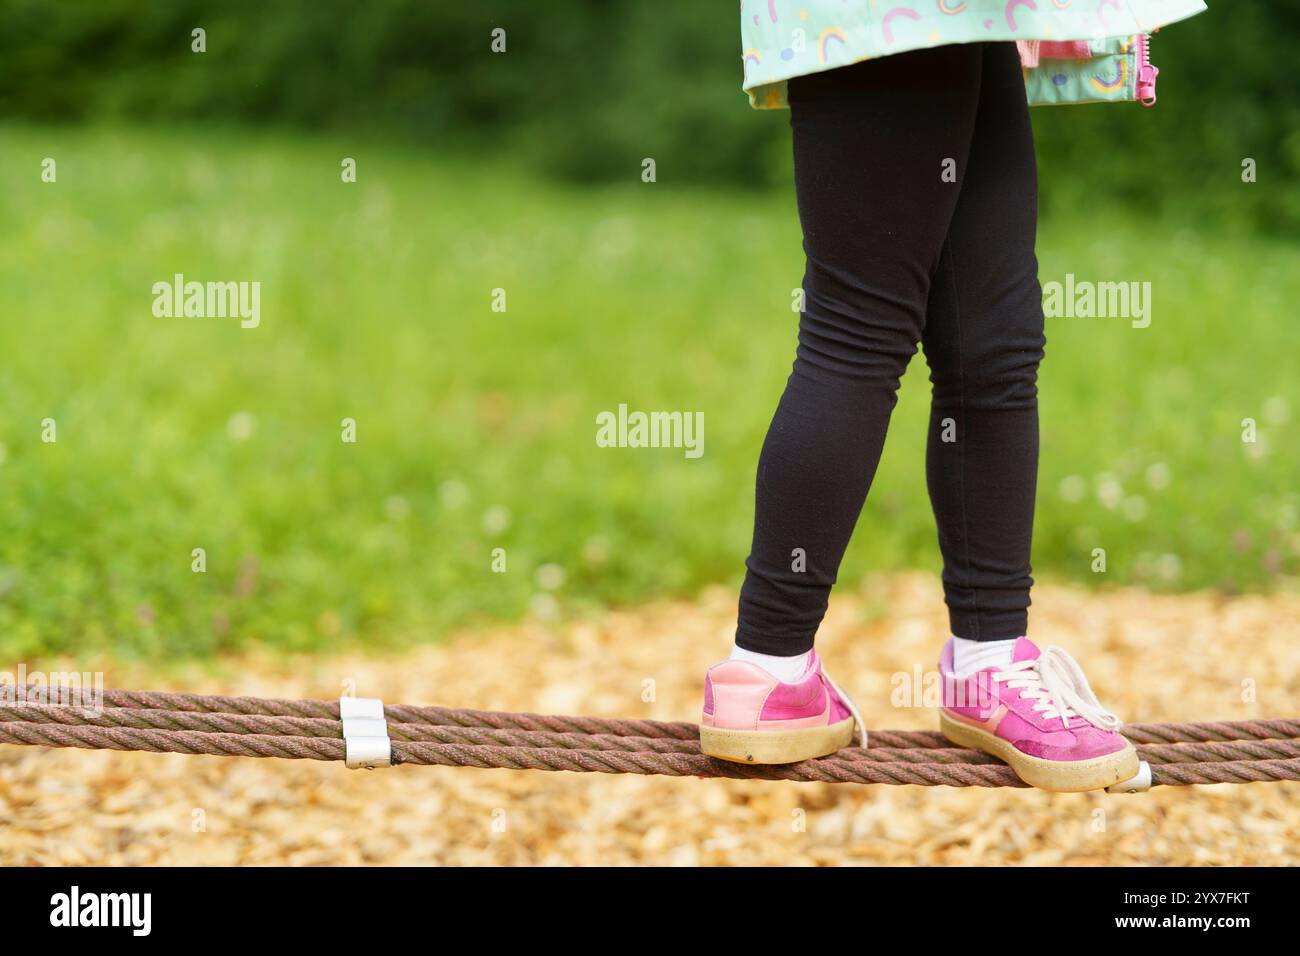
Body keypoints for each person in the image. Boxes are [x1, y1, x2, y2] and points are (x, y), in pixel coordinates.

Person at [700, 0, 1207, 791]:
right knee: (857, 330)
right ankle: (766, 668)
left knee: (996, 348)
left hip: (971, 17)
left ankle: (989, 664)